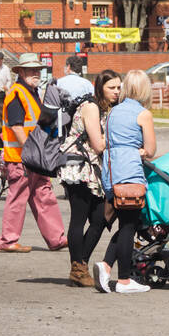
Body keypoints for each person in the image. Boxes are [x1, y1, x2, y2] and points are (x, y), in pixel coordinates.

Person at [0, 53, 68, 254]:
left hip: (34, 158)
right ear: (21, 72)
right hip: (22, 158)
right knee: (18, 198)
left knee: (44, 194)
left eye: (38, 70)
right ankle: (8, 241)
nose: (36, 73)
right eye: (31, 70)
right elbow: (17, 127)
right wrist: (32, 150)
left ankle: (57, 238)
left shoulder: (32, 92)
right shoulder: (17, 93)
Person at [93, 69, 155, 294]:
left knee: (125, 222)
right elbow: (150, 150)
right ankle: (125, 279)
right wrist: (139, 151)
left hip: (111, 172)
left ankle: (107, 265)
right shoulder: (143, 114)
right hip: (130, 173)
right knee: (130, 225)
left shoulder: (112, 112)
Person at [58, 70, 118, 287]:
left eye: (119, 87)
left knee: (102, 217)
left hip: (92, 168)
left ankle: (80, 264)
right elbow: (99, 145)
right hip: (79, 167)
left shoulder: (104, 108)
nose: (116, 92)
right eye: (112, 88)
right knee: (79, 219)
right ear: (100, 88)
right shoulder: (91, 107)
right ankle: (78, 267)